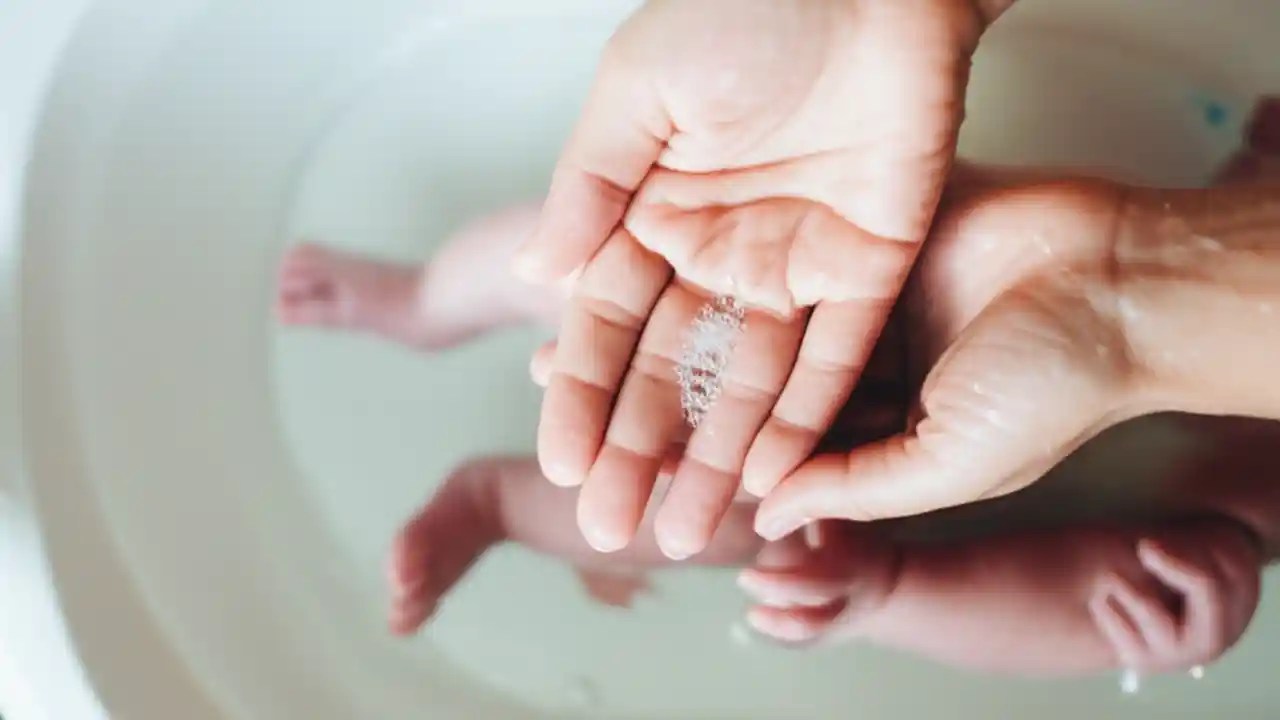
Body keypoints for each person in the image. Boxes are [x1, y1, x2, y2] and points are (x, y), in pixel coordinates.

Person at [274, 115, 1278, 675]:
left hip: (896, 494)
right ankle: (425, 301)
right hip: (882, 289)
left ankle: (497, 502)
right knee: (580, 267)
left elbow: (1097, 599)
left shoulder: (1248, 506)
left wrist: (888, 590)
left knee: (709, 519)